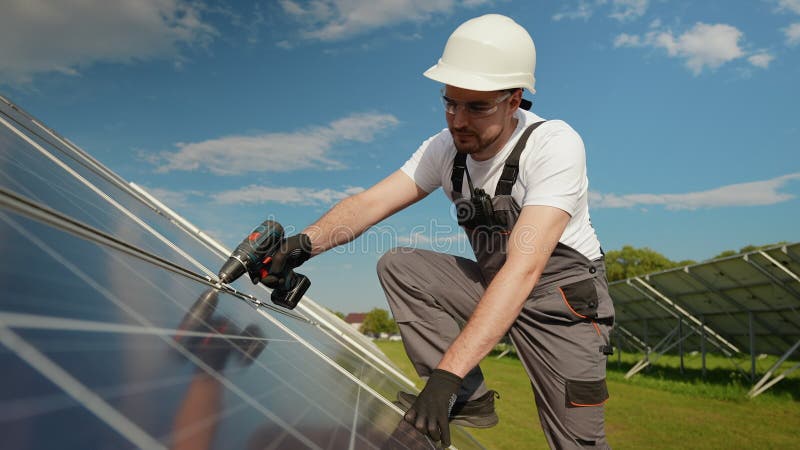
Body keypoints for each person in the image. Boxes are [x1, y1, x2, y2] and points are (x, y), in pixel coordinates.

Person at [262, 13, 615, 449]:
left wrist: (446, 375)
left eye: (476, 106)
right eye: (450, 102)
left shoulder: (554, 144)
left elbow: (525, 269)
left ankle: (455, 388)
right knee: (401, 265)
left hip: (562, 307)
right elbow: (369, 204)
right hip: (494, 288)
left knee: (578, 444)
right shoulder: (444, 150)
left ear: (514, 99)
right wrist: (303, 245)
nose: (458, 120)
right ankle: (471, 400)